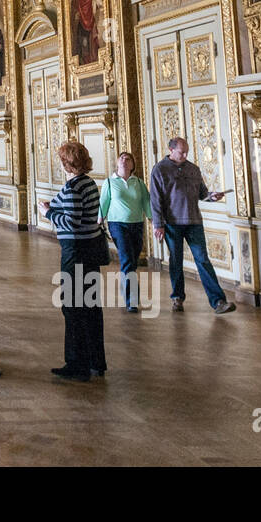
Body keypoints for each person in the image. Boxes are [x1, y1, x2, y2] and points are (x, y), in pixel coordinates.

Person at [38, 140, 107, 381]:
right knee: (90, 306)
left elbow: (71, 221)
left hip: (75, 251)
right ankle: (96, 361)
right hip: (89, 249)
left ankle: (77, 364)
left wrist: (48, 212)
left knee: (73, 307)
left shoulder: (73, 188)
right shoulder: (89, 183)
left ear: (67, 163)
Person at [149, 137, 234, 314]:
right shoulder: (159, 170)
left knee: (203, 260)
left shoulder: (193, 169)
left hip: (194, 221)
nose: (185, 155)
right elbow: (155, 200)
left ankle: (218, 301)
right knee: (176, 261)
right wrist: (158, 224)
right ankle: (177, 297)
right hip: (172, 224)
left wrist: (212, 196)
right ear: (171, 150)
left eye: (187, 151)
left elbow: (202, 193)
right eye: (182, 152)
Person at [100, 151, 151, 313]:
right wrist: (99, 221)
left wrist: (153, 220)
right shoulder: (109, 182)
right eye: (121, 158)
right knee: (127, 259)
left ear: (132, 165)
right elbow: (103, 203)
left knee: (132, 262)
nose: (124, 160)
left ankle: (126, 290)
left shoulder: (139, 183)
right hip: (117, 225)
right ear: (117, 163)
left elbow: (146, 202)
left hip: (136, 224)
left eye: (128, 158)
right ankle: (132, 301)